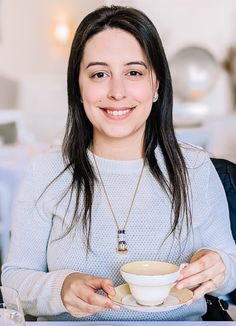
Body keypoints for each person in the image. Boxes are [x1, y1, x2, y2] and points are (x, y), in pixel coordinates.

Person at [2, 5, 236, 322]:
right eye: (99, 74)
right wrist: (60, 288)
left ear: (156, 85)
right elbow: (14, 279)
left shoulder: (195, 169)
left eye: (134, 73)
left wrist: (219, 266)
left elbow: (231, 267)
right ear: (78, 87)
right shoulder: (46, 171)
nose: (116, 92)